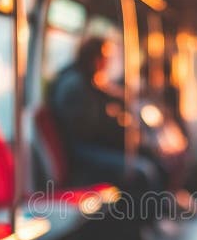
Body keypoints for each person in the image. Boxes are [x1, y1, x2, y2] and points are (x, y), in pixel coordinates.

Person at [49, 37, 164, 200]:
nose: (106, 63)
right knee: (142, 172)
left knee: (150, 154)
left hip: (91, 143)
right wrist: (117, 123)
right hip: (79, 149)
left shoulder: (89, 79)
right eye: (104, 58)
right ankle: (136, 222)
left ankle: (159, 210)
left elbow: (107, 100)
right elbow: (86, 129)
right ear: (93, 57)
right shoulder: (74, 85)